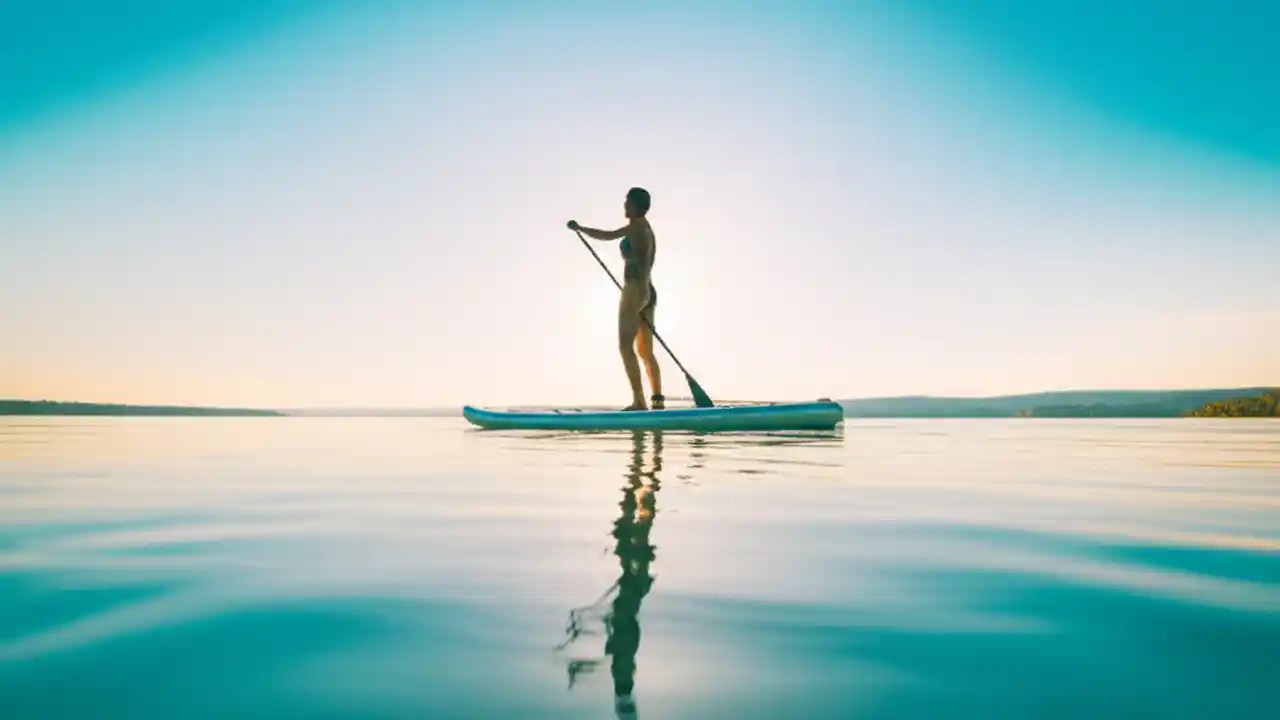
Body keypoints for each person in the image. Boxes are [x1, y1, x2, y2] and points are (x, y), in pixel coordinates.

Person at [568, 187, 664, 411]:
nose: (624, 205)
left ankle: (639, 401)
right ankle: (657, 400)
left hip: (634, 289)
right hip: (648, 291)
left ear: (637, 205)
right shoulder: (645, 228)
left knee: (624, 345)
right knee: (644, 350)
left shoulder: (637, 225)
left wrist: (579, 228)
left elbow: (607, 236)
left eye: (627, 202)